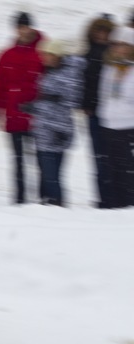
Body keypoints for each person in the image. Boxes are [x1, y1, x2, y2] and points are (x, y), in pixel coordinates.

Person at [0, 12, 45, 204]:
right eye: (20, 27)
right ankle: (19, 199)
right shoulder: (7, 55)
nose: (23, 30)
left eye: (26, 26)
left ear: (31, 28)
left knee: (42, 160)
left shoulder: (43, 52)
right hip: (14, 115)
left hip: (38, 117)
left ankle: (45, 198)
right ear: (16, 29)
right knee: (18, 161)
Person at [30, 40, 84, 206]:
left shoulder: (68, 74)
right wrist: (35, 106)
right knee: (47, 174)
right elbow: (51, 101)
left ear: (57, 55)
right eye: (43, 54)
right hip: (44, 129)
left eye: (48, 54)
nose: (44, 58)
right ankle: (48, 204)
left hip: (57, 131)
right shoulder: (50, 71)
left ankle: (56, 206)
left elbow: (72, 101)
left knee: (51, 175)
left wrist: (48, 100)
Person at [98, 25, 134, 208]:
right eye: (115, 44)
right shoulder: (110, 68)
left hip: (128, 126)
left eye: (122, 44)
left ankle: (129, 206)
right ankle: (116, 206)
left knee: (128, 170)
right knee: (112, 169)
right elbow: (103, 95)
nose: (118, 48)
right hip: (109, 125)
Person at [81, 15, 116, 207]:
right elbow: (83, 85)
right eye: (99, 31)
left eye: (106, 31)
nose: (102, 35)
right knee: (99, 158)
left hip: (113, 114)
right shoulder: (86, 55)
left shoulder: (116, 55)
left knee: (114, 157)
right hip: (94, 114)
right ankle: (103, 198)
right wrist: (85, 105)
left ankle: (114, 197)